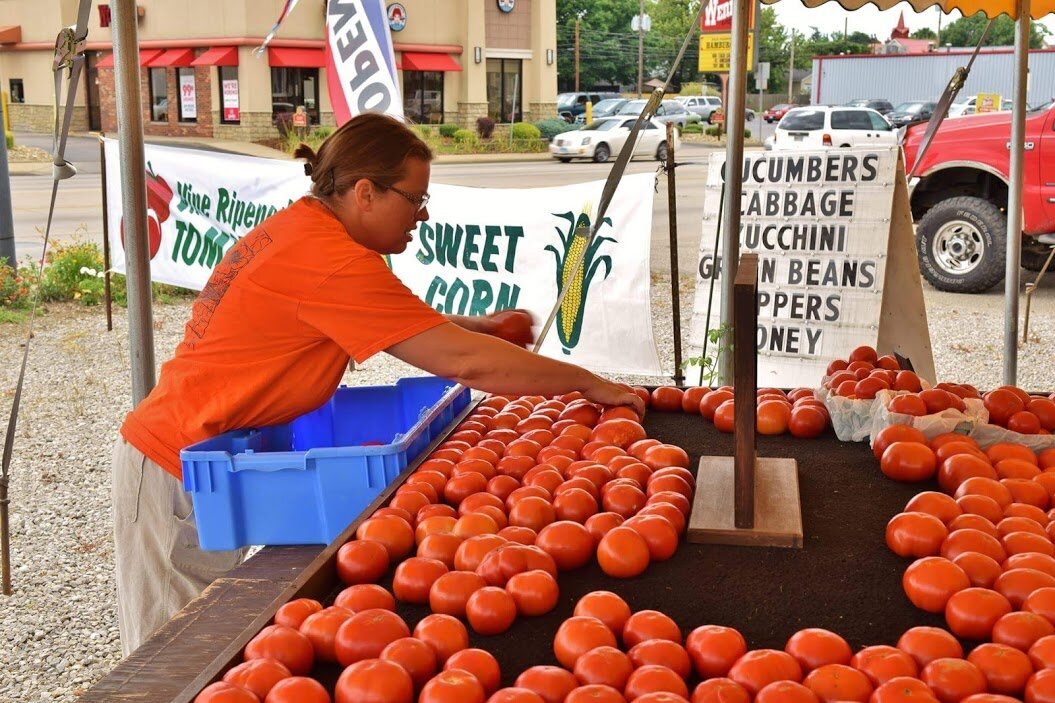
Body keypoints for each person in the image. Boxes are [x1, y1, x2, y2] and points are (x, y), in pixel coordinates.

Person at [112, 112, 644, 656]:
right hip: (174, 467)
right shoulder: (328, 259)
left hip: (209, 461)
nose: (423, 215)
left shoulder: (310, 233)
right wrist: (584, 382)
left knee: (207, 644)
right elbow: (465, 364)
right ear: (365, 192)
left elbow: (409, 324)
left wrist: (482, 328)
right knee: (173, 659)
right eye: (415, 199)